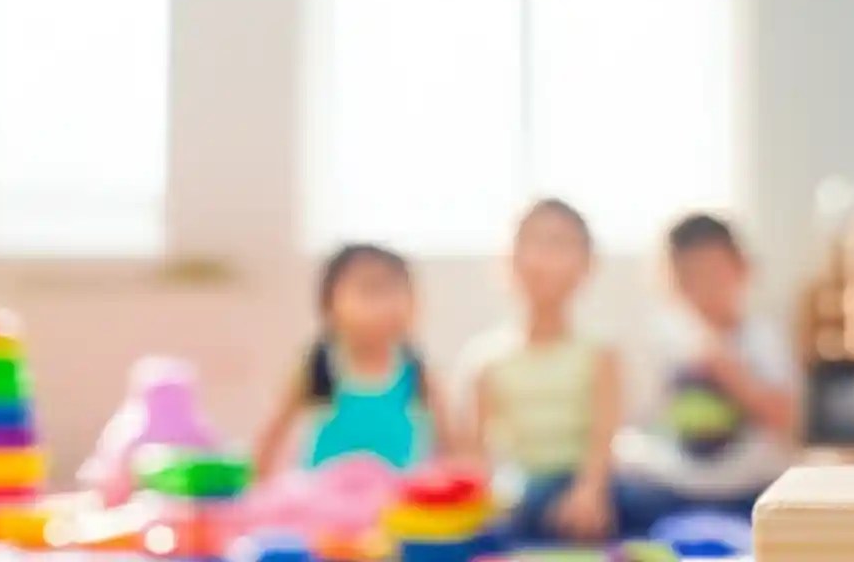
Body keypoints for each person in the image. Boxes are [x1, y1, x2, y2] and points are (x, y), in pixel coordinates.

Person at [460, 199, 651, 542]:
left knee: (643, 502)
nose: (545, 257)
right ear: (510, 260)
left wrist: (590, 492)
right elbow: (477, 457)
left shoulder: (600, 352)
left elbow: (603, 438)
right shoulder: (486, 360)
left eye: (560, 244)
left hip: (594, 485)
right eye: (534, 242)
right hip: (528, 490)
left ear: (587, 264)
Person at [617, 213, 797, 517]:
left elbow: (785, 419)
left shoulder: (761, 338)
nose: (703, 289)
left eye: (713, 274)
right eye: (688, 278)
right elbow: (634, 423)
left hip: (747, 488)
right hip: (668, 489)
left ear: (741, 269)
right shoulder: (659, 339)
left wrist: (728, 368)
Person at [253, 244, 452, 477]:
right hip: (325, 500)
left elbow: (449, 447)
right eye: (370, 291)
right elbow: (269, 440)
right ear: (329, 304)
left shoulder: (419, 371)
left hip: (394, 502)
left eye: (396, 290)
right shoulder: (318, 365)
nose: (385, 305)